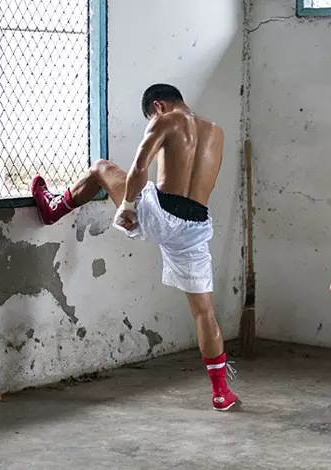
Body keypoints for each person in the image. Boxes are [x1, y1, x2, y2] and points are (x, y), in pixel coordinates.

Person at [29, 83, 239, 411]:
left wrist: (127, 206)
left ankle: (53, 206)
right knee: (203, 311)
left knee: (100, 167)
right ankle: (221, 392)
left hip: (161, 215)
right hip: (195, 226)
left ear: (158, 105)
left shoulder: (166, 120)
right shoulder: (217, 132)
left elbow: (140, 167)